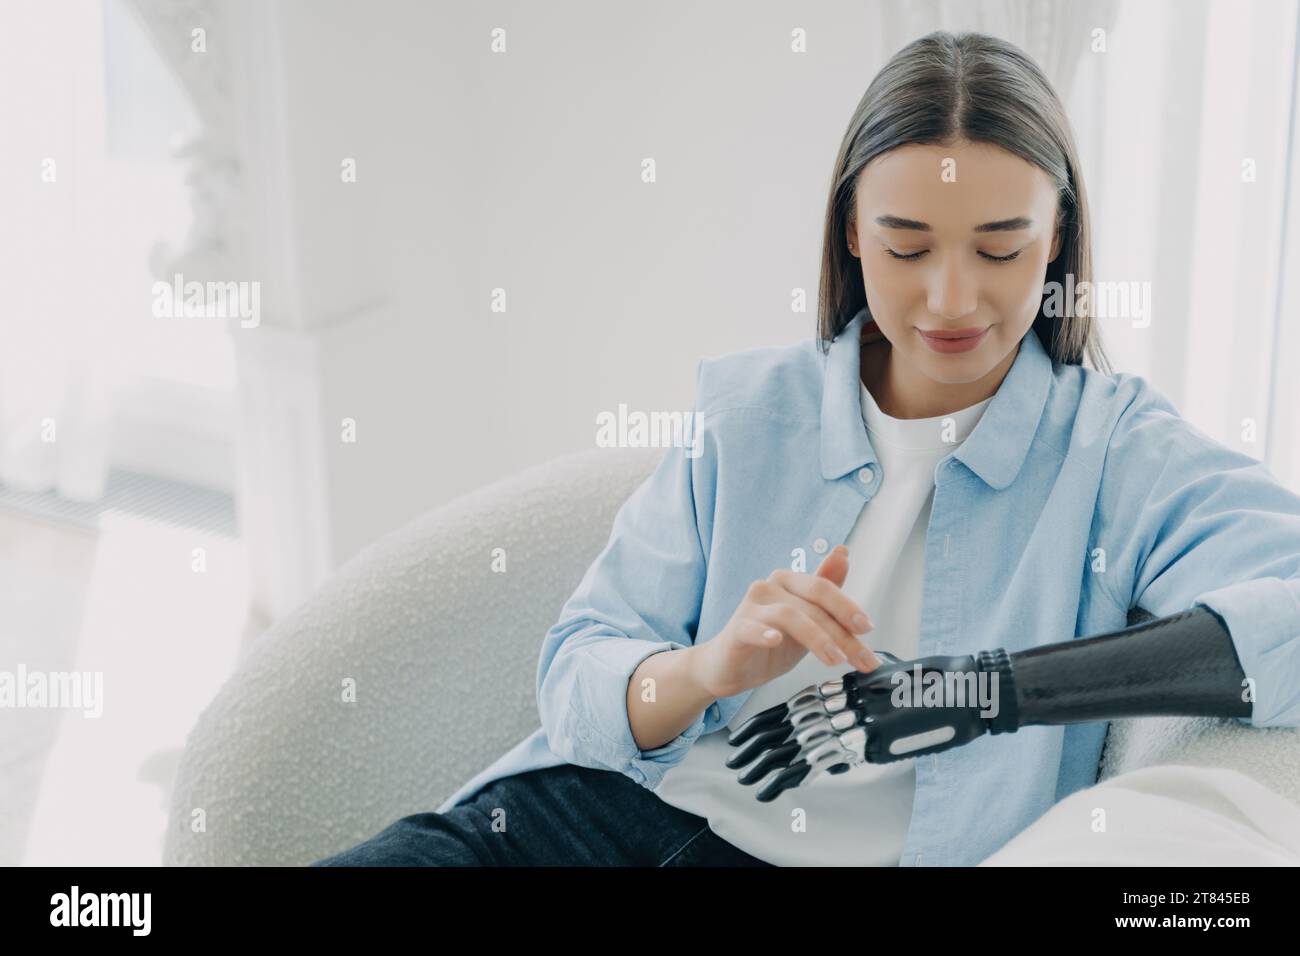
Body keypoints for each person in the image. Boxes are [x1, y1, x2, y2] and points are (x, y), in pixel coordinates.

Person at [311, 30, 1300, 867]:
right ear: (853, 236)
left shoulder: (1117, 450)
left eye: (998, 247)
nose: (951, 298)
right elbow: (577, 674)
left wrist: (977, 688)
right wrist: (708, 667)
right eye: (907, 246)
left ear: (1056, 240)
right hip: (590, 818)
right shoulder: (746, 408)